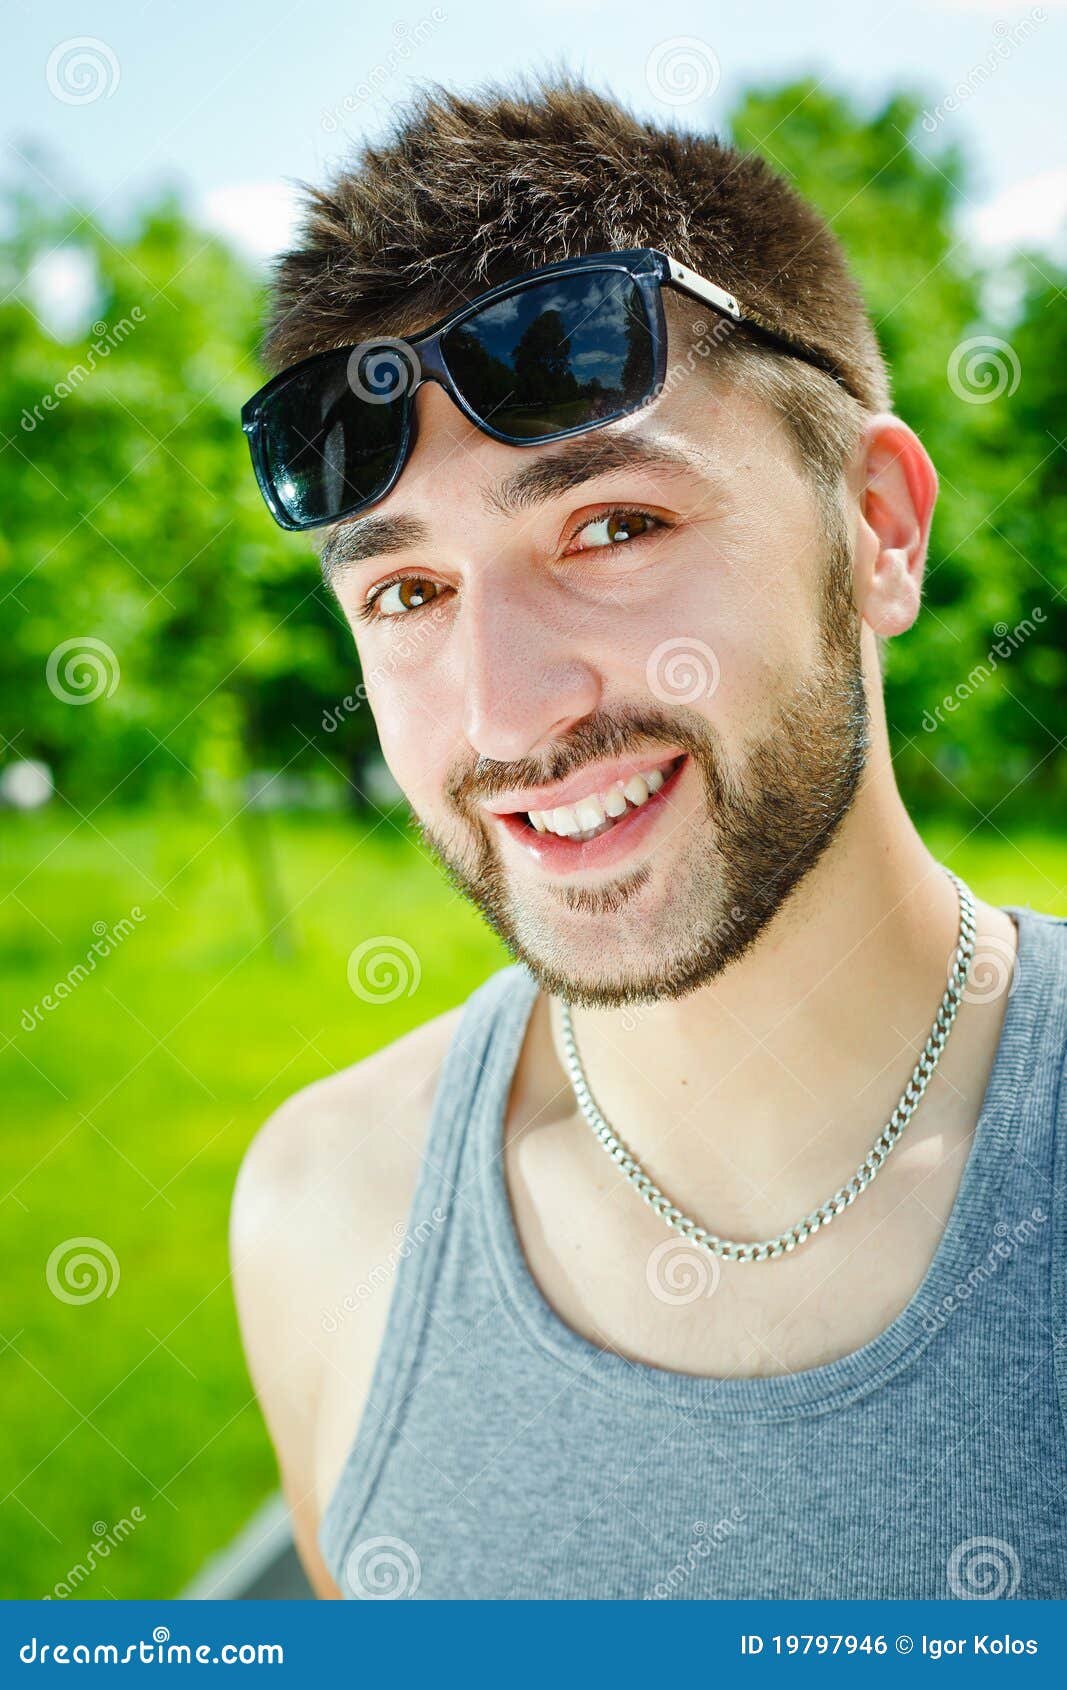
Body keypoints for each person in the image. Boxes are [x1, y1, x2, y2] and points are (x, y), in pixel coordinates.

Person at [230, 78, 1067, 1601]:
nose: (506, 714)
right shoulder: (322, 1213)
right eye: (407, 594)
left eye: (614, 526)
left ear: (879, 526)